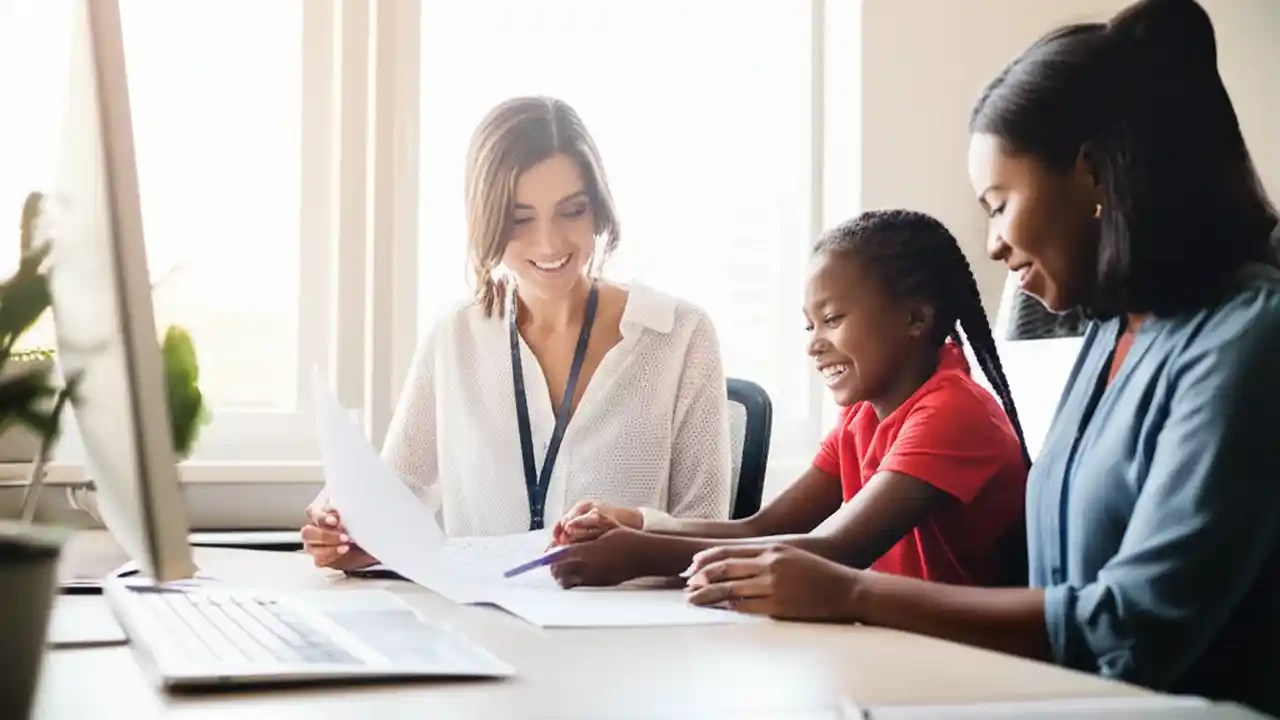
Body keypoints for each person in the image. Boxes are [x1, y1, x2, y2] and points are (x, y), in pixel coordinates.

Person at [679, 0, 1280, 714]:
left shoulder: (1248, 338)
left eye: (999, 203)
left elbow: (1132, 623)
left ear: (1091, 176)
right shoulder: (1111, 329)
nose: (992, 242)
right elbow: (1059, 594)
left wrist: (855, 593)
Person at [300, 97, 733, 568]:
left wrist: (633, 527)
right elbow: (395, 498)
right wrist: (346, 535)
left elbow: (707, 530)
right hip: (485, 627)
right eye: (520, 219)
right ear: (486, 220)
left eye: (572, 211)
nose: (549, 243)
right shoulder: (455, 339)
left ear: (598, 209)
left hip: (624, 632)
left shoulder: (679, 337)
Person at [547, 209, 1030, 590]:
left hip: (964, 664)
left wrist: (638, 554)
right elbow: (763, 527)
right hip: (895, 642)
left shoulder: (953, 411)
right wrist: (635, 525)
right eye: (809, 325)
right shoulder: (862, 416)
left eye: (834, 318)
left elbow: (835, 549)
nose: (814, 343)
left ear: (915, 319)